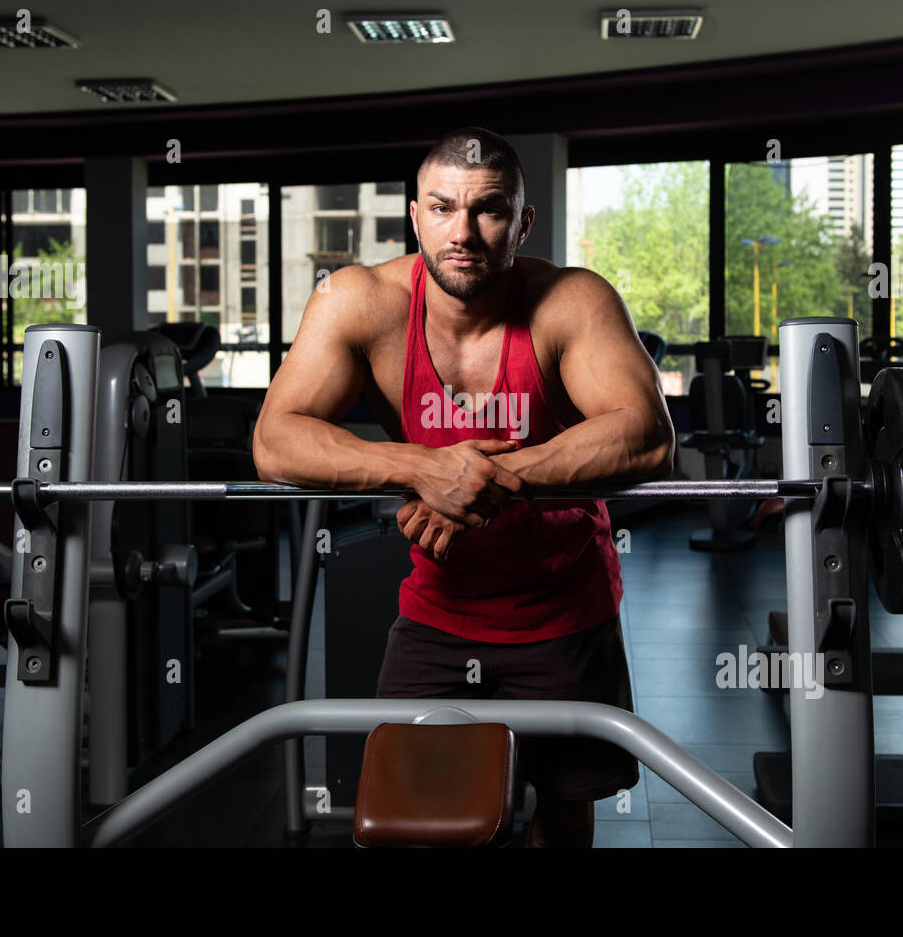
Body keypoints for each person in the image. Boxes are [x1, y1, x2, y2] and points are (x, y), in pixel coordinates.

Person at [253, 126, 675, 846]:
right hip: (437, 612)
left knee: (564, 815)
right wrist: (423, 467)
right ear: (414, 213)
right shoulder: (361, 302)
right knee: (413, 811)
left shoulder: (572, 300)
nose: (464, 233)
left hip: (564, 609)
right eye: (443, 208)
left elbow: (648, 434)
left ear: (522, 222)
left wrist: (489, 479)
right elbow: (273, 441)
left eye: (489, 210)